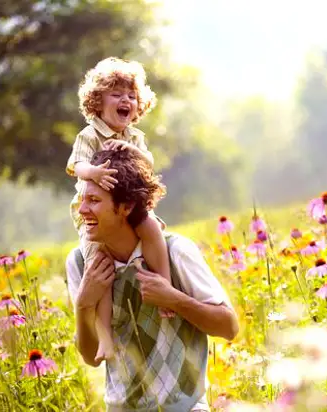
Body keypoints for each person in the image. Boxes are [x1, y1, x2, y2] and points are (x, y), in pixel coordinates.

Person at [65, 149, 239, 411]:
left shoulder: (175, 251)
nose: (82, 209)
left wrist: (173, 299)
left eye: (93, 200)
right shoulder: (80, 264)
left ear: (126, 207)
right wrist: (83, 305)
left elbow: (229, 327)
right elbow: (91, 358)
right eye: (82, 199)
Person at [66, 57, 174, 362]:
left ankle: (164, 285)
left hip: (130, 207)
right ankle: (105, 338)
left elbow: (149, 164)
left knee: (152, 228)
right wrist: (94, 174)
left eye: (131, 96)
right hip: (93, 213)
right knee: (99, 269)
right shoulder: (90, 134)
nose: (125, 100)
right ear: (98, 102)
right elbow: (77, 164)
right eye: (116, 94)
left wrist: (135, 151)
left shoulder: (135, 137)